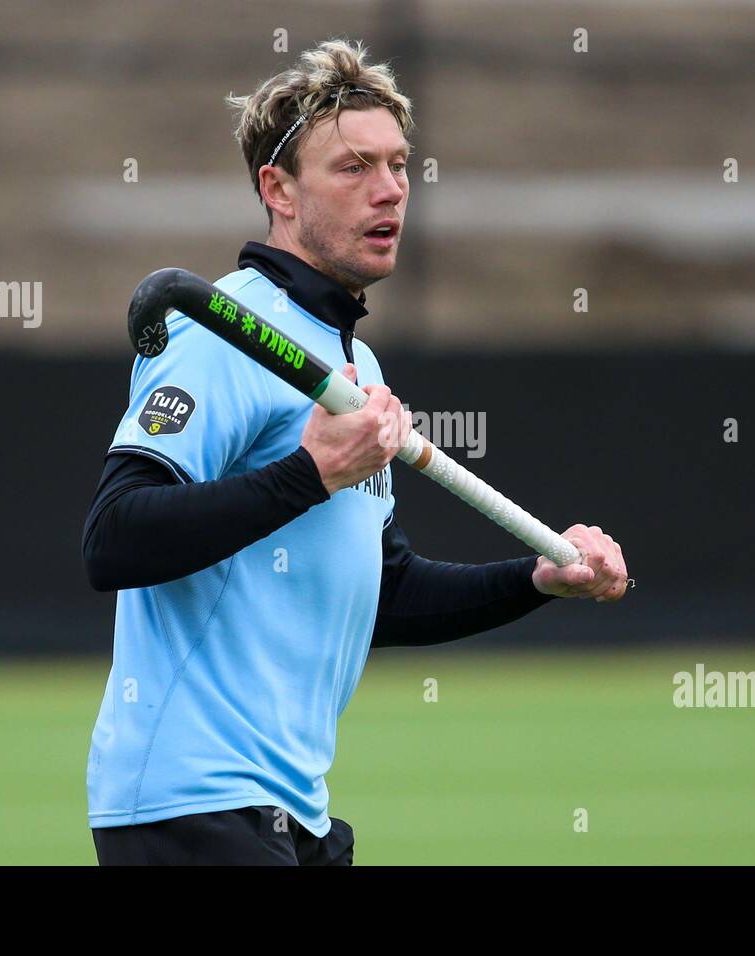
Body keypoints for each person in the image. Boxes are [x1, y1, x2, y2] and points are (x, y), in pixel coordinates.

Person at [82, 37, 628, 865]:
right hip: (189, 802)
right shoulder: (224, 333)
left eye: (400, 164)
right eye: (353, 167)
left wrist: (537, 580)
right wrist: (309, 474)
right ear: (279, 191)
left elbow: (387, 594)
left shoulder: (352, 365)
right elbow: (114, 538)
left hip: (289, 813)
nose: (390, 190)